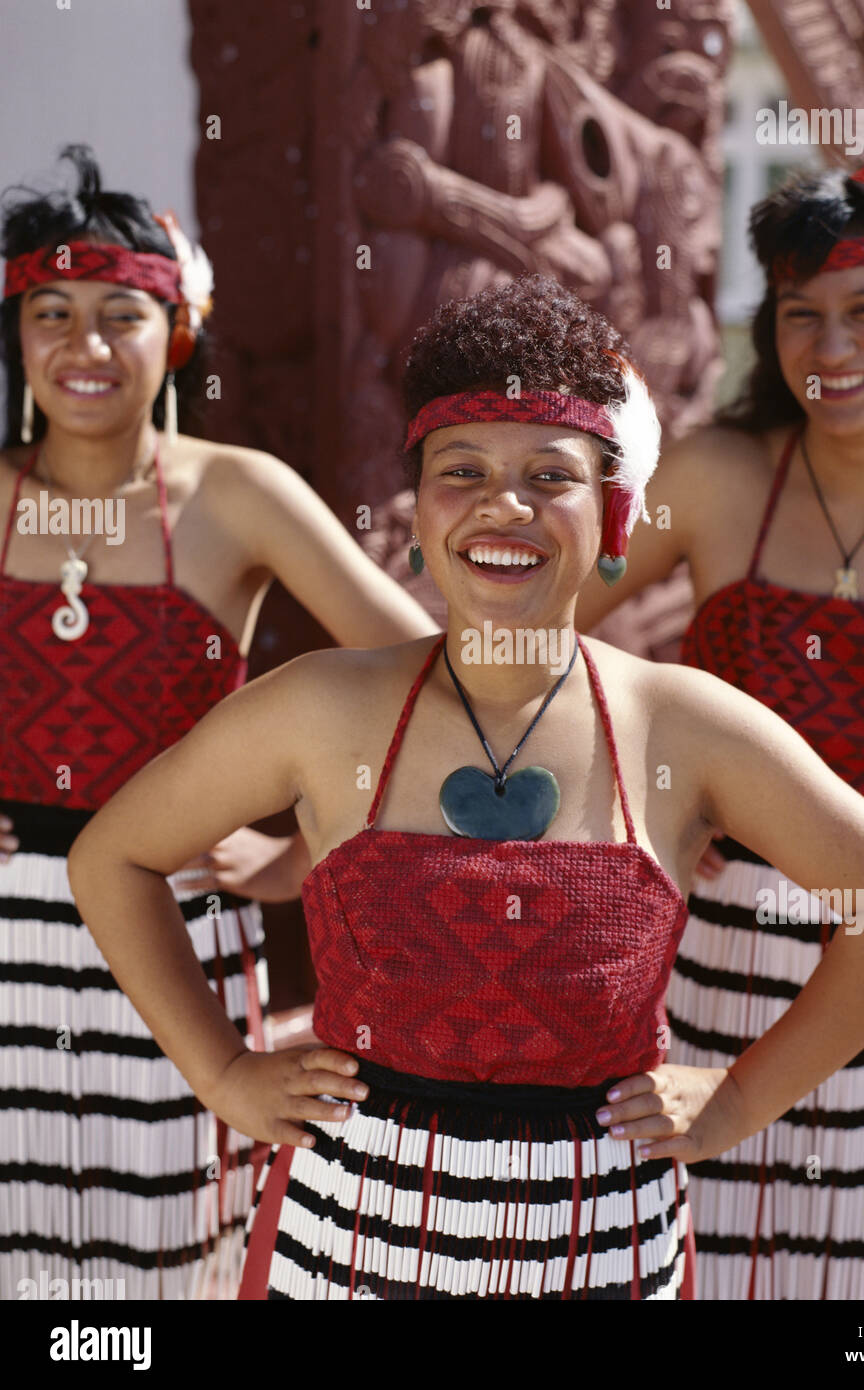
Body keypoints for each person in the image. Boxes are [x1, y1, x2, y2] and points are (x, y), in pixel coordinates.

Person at [67, 273, 864, 1300]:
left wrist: (735, 1099)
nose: (505, 505)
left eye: (551, 474)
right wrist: (223, 1072)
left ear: (614, 515)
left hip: (599, 1245)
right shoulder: (317, 706)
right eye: (463, 470)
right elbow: (112, 856)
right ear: (416, 510)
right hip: (353, 1239)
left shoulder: (682, 722)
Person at [577, 150, 864, 1299]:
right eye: (798, 314)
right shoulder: (722, 477)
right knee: (700, 1268)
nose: (830, 351)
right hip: (717, 963)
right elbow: (516, 643)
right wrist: (642, 806)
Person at [0, 145, 437, 1301]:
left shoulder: (236, 493)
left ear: (178, 329)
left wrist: (300, 854)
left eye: (119, 314)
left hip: (179, 932)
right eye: (51, 312)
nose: (84, 347)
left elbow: (425, 675)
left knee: (170, 1257)